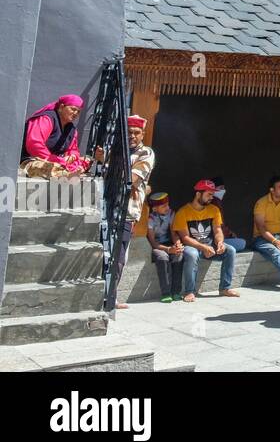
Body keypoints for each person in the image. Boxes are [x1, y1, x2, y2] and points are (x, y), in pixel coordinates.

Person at [106, 113, 157, 310]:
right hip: (107, 207)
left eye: (136, 132)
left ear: (143, 134)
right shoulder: (115, 150)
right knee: (105, 252)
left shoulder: (146, 153)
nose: (133, 136)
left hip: (126, 212)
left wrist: (108, 163)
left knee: (118, 256)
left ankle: (111, 297)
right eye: (129, 132)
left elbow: (132, 180)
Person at [172, 180, 239, 303]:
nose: (211, 197)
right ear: (198, 194)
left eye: (212, 195)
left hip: (209, 246)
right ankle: (190, 291)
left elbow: (218, 230)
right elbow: (185, 238)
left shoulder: (214, 209)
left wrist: (220, 242)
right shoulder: (183, 212)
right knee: (192, 254)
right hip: (191, 246)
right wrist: (203, 247)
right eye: (209, 194)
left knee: (231, 250)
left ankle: (225, 288)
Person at [20, 94, 99, 178]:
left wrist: (72, 156)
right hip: (33, 159)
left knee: (86, 160)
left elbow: (73, 150)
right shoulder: (46, 119)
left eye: (78, 111)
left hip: (57, 161)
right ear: (61, 107)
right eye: (73, 109)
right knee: (43, 166)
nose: (76, 113)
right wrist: (53, 159)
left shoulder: (71, 129)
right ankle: (65, 174)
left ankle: (68, 172)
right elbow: (34, 144)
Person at [145, 192, 184, 302]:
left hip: (168, 243)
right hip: (157, 246)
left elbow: (173, 233)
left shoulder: (171, 214)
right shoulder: (150, 219)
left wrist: (178, 244)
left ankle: (176, 291)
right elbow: (152, 242)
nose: (167, 208)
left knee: (179, 256)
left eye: (167, 204)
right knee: (162, 257)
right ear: (155, 209)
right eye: (163, 206)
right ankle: (166, 293)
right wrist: (168, 250)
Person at [208, 177, 245, 252]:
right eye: (220, 188)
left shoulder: (217, 201)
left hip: (217, 239)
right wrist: (229, 235)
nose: (223, 190)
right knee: (242, 243)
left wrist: (230, 233)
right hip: (213, 241)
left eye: (223, 188)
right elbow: (219, 227)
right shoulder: (214, 203)